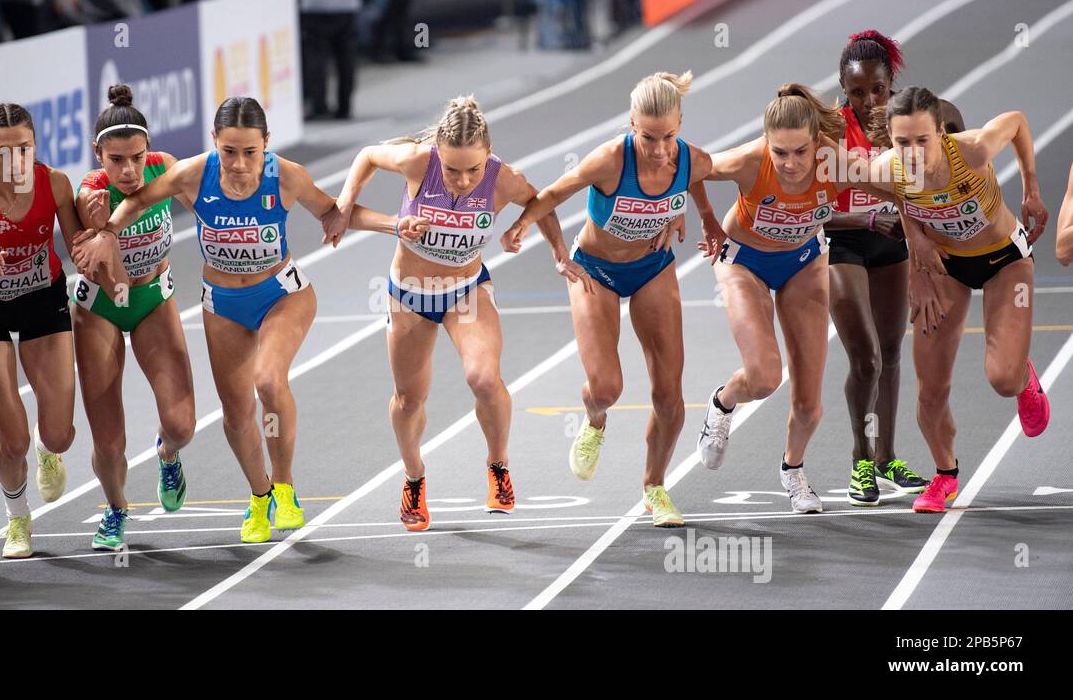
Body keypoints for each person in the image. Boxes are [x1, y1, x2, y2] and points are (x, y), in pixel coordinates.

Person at [99, 96, 410, 543]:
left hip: (281, 294)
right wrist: (108, 232)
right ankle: (259, 495)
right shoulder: (193, 174)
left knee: (267, 381)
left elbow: (331, 211)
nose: (241, 164)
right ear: (214, 143)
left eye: (251, 151)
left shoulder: (285, 175)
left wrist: (394, 224)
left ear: (266, 143)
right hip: (222, 304)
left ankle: (284, 488)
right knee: (235, 414)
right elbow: (137, 199)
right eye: (230, 151)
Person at [335, 95, 586, 532]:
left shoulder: (503, 179)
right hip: (410, 294)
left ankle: (498, 466)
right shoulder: (416, 161)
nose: (464, 180)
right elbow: (366, 155)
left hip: (465, 290)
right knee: (409, 399)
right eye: (452, 170)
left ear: (487, 156)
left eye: (473, 169)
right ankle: (414, 477)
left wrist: (543, 241)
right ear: (438, 156)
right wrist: (345, 205)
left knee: (484, 379)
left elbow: (539, 202)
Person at [506, 72, 722, 527]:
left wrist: (701, 216)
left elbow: (696, 175)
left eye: (669, 137)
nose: (660, 149)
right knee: (607, 388)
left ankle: (654, 487)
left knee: (669, 395)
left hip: (652, 268)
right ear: (630, 125)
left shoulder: (689, 159)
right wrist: (533, 236)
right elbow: (551, 194)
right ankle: (595, 420)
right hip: (596, 270)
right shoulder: (608, 160)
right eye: (648, 137)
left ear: (680, 125)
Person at [865, 87, 1049, 513]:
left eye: (922, 140)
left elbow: (1018, 117)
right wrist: (916, 245)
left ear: (942, 134)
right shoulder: (885, 169)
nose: (912, 152)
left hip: (1005, 260)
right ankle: (945, 476)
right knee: (930, 391)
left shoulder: (975, 150)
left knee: (1003, 379)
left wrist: (1032, 188)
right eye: (901, 142)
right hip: (945, 268)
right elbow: (880, 187)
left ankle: (1024, 377)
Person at [824, 30, 962, 506]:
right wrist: (865, 217)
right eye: (856, 92)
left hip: (894, 246)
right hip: (846, 244)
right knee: (865, 360)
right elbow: (811, 208)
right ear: (843, 88)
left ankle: (887, 459)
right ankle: (860, 460)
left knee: (892, 354)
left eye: (877, 90)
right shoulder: (830, 130)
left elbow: (956, 137)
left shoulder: (908, 122)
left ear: (891, 84)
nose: (867, 101)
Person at [697, 84, 845, 514]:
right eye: (780, 153)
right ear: (766, 144)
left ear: (817, 141)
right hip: (744, 262)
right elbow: (687, 168)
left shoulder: (837, 163)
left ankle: (793, 471)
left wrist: (923, 245)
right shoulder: (747, 162)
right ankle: (722, 403)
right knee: (763, 379)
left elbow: (896, 186)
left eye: (800, 151)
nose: (791, 164)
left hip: (805, 262)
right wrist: (705, 218)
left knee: (809, 405)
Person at [0, 103, 82, 558]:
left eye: (24, 149)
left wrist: (103, 229)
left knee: (59, 432)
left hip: (43, 302)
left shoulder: (56, 185)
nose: (15, 161)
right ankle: (18, 520)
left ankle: (51, 452)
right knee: (13, 439)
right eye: (3, 152)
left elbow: (81, 250)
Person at [72, 85, 196, 552]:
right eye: (116, 159)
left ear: (149, 150)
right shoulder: (90, 195)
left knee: (182, 425)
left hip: (153, 300)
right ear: (97, 154)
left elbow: (203, 205)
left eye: (136, 158)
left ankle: (167, 454)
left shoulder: (165, 167)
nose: (128, 170)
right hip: (102, 305)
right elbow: (113, 280)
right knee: (108, 442)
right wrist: (104, 229)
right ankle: (117, 508)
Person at [300, 0, 360, 120]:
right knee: (345, 58)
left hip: (314, 5)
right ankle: (345, 106)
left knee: (316, 58)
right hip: (346, 3)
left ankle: (319, 106)